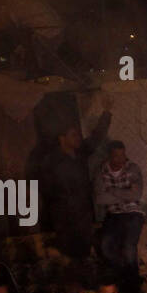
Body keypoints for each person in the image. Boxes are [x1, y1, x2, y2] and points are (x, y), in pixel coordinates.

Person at [41, 106, 113, 261]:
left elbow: (96, 137)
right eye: (73, 135)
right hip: (65, 219)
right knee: (71, 256)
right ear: (62, 138)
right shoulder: (52, 161)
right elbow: (47, 190)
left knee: (85, 254)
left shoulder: (80, 153)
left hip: (83, 215)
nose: (78, 138)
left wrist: (107, 112)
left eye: (78, 135)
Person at [95, 141, 145, 288]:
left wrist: (112, 191)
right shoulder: (101, 172)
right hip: (113, 214)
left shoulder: (133, 168)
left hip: (133, 213)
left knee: (129, 248)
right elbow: (99, 198)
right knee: (106, 246)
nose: (121, 159)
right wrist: (126, 193)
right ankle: (120, 281)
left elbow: (136, 195)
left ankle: (133, 285)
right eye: (117, 156)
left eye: (123, 155)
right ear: (110, 156)